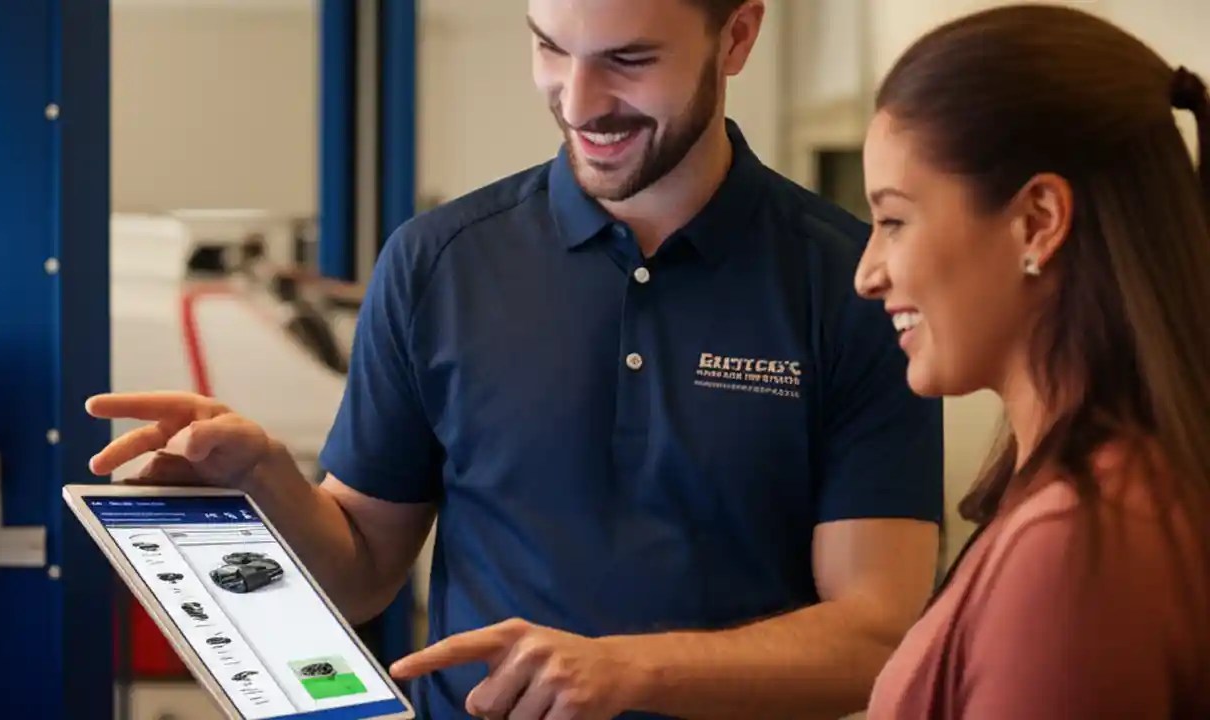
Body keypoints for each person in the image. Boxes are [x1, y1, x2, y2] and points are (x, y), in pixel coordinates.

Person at [87, 0, 943, 717]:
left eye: (629, 60)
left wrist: (627, 670)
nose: (579, 100)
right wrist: (266, 478)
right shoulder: (438, 262)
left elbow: (877, 636)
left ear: (738, 37)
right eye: (549, 47)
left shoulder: (854, 284)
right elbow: (361, 575)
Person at [853, 5, 1210, 718]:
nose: (867, 274)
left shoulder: (1077, 544)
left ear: (1039, 220)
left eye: (894, 220)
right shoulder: (1093, 501)